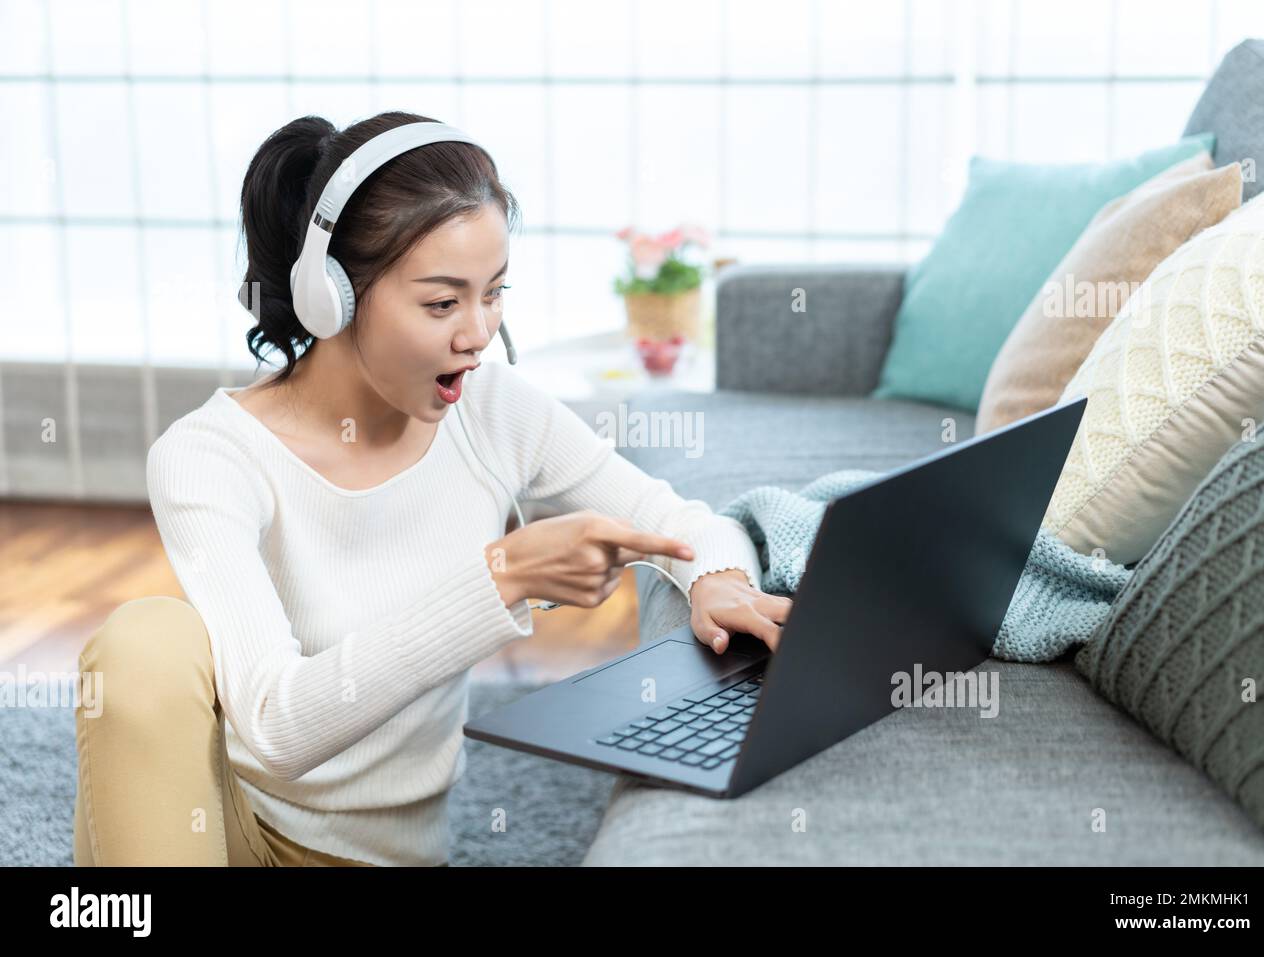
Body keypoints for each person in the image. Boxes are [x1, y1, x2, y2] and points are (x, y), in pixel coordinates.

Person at [72, 111, 792, 867]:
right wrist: (502, 578)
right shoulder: (210, 455)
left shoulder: (494, 412)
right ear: (332, 299)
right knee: (148, 639)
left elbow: (681, 520)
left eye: (494, 293)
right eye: (443, 303)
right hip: (227, 834)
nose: (477, 332)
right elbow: (274, 729)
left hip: (383, 857)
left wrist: (718, 578)